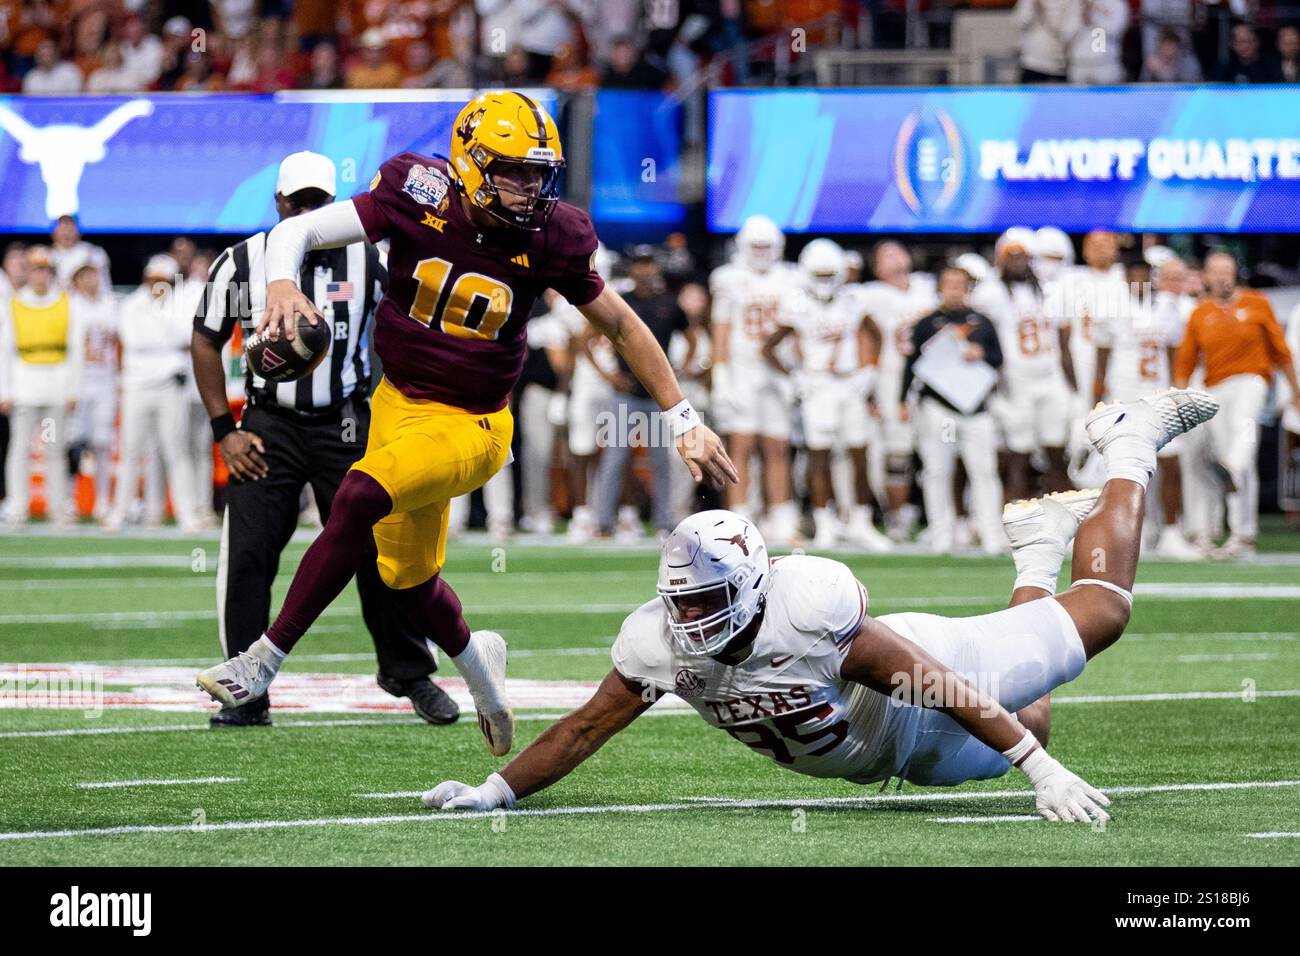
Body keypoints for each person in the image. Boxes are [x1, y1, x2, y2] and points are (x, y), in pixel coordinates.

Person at [196, 92, 736, 756]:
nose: (529, 186)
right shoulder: (415, 190)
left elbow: (621, 324)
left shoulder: (554, 236)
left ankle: (262, 662)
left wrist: (682, 416)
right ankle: (480, 664)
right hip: (396, 404)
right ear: (471, 163)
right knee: (407, 583)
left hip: (473, 426)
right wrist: (282, 284)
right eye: (512, 170)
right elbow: (298, 231)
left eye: (538, 172)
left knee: (360, 495)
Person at [425, 388, 1220, 820]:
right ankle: (1041, 542)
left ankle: (1128, 438)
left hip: (921, 686)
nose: (690, 622)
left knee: (1105, 614)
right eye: (681, 601)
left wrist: (1039, 773)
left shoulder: (809, 604)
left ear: (751, 585)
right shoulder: (656, 642)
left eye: (706, 599)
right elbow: (583, 729)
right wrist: (492, 793)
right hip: (888, 761)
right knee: (1035, 712)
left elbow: (931, 682)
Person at [192, 151, 454, 728]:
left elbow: (408, 330)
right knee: (250, 553)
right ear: (279, 203)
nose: (309, 211)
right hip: (268, 425)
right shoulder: (243, 263)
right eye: (298, 202)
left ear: (332, 202)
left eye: (319, 201)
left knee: (377, 546)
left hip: (348, 421)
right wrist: (224, 432)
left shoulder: (371, 259)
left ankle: (407, 671)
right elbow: (206, 340)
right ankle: (247, 688)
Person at [762, 239, 891, 552]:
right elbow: (768, 347)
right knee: (818, 455)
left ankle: (860, 522)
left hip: (848, 384)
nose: (824, 282)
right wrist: (794, 376)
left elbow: (877, 333)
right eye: (817, 275)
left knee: (858, 452)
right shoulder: (796, 303)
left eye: (828, 275)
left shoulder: (853, 299)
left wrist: (869, 370)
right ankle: (825, 522)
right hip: (817, 385)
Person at [1173, 252, 1300, 560]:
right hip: (1215, 387)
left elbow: (1281, 352)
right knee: (1221, 454)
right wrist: (1177, 397)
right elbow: (1186, 361)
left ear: (1235, 273)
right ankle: (1223, 528)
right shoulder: (1200, 313)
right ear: (1206, 276)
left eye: (1226, 271)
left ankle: (1242, 532)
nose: (1221, 277)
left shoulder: (1257, 304)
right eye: (1215, 272)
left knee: (1242, 438)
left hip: (1251, 380)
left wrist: (1296, 391)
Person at [709, 216, 801, 545]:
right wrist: (720, 375)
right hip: (742, 370)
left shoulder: (792, 277)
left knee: (777, 446)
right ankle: (739, 520)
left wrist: (798, 371)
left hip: (777, 371)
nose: (761, 252)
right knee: (742, 445)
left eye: (766, 246)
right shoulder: (729, 278)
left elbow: (799, 328)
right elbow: (721, 328)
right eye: (756, 246)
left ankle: (782, 517)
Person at [592, 246, 693, 539]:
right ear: (632, 268)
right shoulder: (621, 302)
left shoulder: (669, 303)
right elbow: (587, 339)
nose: (644, 270)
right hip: (626, 394)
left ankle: (664, 523)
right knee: (614, 458)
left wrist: (681, 369)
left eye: (649, 264)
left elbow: (692, 336)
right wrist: (608, 375)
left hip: (657, 397)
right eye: (639, 264)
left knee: (661, 461)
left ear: (656, 268)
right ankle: (604, 523)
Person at [903, 265, 1005, 555]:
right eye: (949, 284)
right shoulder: (926, 323)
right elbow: (911, 365)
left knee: (984, 470)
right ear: (939, 287)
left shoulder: (983, 322)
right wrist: (903, 400)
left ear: (968, 288)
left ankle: (990, 533)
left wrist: (982, 353)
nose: (954, 290)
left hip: (976, 409)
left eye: (960, 284)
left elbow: (999, 358)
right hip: (941, 409)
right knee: (938, 470)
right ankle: (941, 533)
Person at [973, 228, 1076, 500]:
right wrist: (992, 388)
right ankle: (1014, 523)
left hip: (1049, 377)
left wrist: (1073, 388)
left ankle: (1065, 520)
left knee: (1056, 451)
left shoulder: (1046, 289)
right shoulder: (990, 292)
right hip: (1015, 382)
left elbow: (1063, 342)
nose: (1019, 261)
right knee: (1018, 454)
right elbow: (982, 341)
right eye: (1012, 255)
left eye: (1024, 256)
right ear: (1000, 258)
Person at [105, 255, 204, 533]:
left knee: (177, 450)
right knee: (130, 450)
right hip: (137, 384)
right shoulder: (130, 305)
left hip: (171, 384)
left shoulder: (181, 303)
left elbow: (187, 337)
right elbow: (135, 339)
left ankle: (187, 513)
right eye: (154, 280)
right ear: (146, 278)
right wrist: (169, 341)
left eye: (164, 281)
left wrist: (165, 330)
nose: (158, 286)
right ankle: (119, 512)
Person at [856, 241, 938, 542]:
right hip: (892, 380)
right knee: (897, 453)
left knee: (939, 449)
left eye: (897, 251)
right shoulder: (870, 294)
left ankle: (944, 519)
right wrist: (869, 383)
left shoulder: (929, 286)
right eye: (885, 255)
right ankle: (897, 517)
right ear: (876, 267)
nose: (894, 257)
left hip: (935, 380)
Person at [0, 246, 81, 526]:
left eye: (44, 269)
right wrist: (5, 390)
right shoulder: (14, 303)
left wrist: (72, 389)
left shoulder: (65, 302)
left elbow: (75, 349)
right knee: (19, 448)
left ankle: (57, 507)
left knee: (55, 449)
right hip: (25, 387)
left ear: (51, 273)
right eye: (35, 269)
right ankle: (17, 507)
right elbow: (5, 348)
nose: (39, 275)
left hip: (56, 387)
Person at [67, 260, 119, 521]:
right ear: (75, 281)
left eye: (94, 275)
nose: (91, 280)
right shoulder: (68, 305)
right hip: (78, 381)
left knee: (102, 443)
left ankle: (102, 502)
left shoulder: (110, 304)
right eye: (85, 276)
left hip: (105, 381)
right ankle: (68, 499)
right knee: (72, 442)